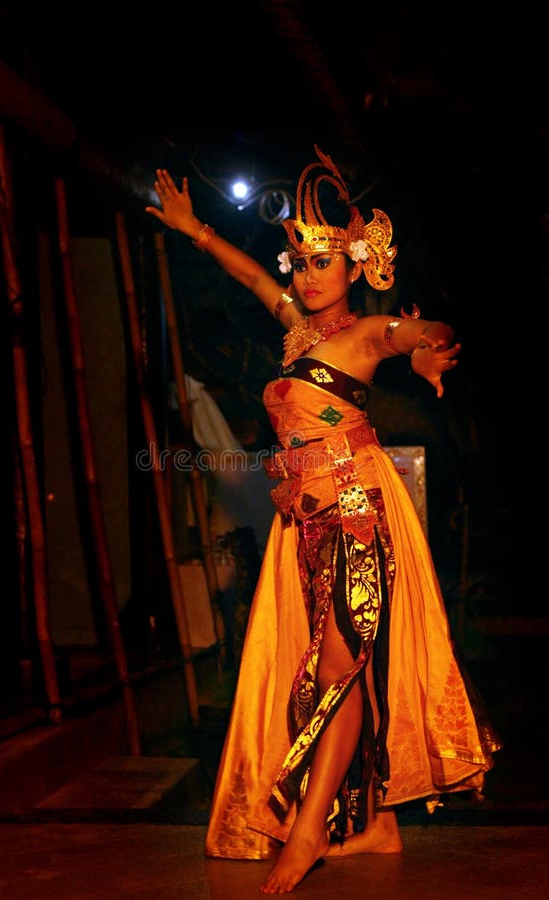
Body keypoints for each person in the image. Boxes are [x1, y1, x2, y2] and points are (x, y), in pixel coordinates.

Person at [145, 145, 501, 894]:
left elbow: (419, 332)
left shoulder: (365, 336)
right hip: (303, 523)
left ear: (355, 265)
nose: (306, 275)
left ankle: (307, 834)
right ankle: (377, 823)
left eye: (322, 262)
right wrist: (195, 231)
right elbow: (250, 278)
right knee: (344, 672)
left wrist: (431, 349)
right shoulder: (297, 333)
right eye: (298, 261)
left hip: (353, 513)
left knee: (339, 671)